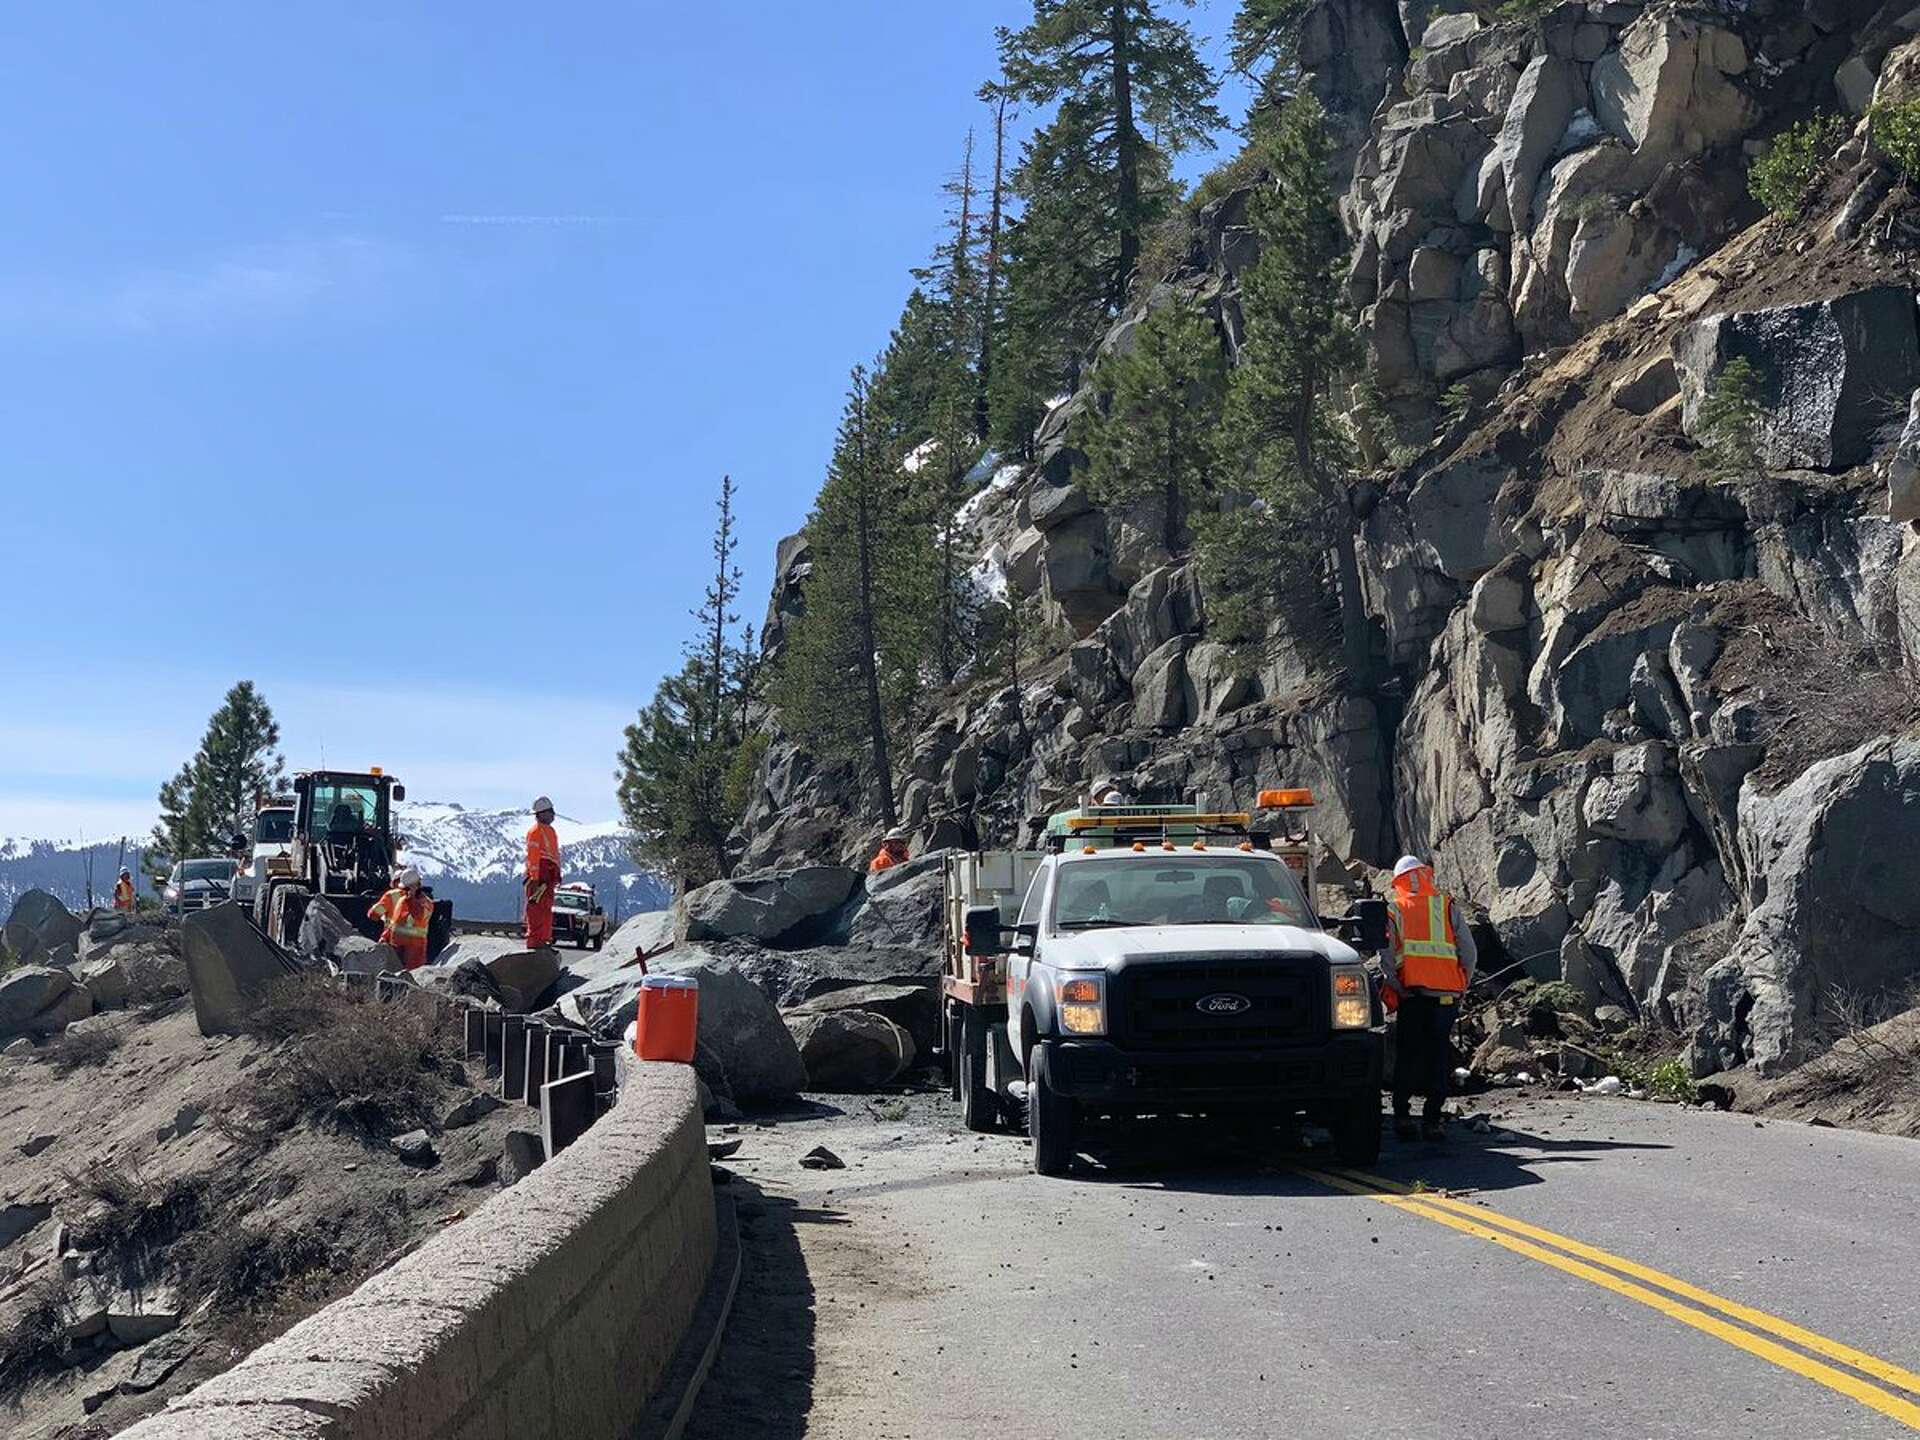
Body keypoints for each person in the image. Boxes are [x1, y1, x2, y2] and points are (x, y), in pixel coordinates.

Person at [1381, 854, 1477, 1142]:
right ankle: (1433, 1121)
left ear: (1398, 880)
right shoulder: (1445, 906)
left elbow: (1385, 958)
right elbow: (1469, 952)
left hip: (1413, 996)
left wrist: (1397, 987)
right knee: (1437, 1056)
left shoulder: (1394, 909)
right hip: (1445, 998)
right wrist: (1461, 984)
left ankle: (1401, 1116)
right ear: (1426, 875)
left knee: (1408, 1055)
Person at [369, 867, 434, 970]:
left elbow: (419, 916)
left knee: (411, 978)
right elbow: (395, 922)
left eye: (407, 889)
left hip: (414, 951)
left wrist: (413, 898)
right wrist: (385, 937)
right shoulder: (402, 901)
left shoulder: (426, 904)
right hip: (396, 948)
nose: (404, 891)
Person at [524, 796, 562, 948]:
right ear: (541, 813)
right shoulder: (535, 831)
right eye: (550, 811)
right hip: (538, 876)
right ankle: (534, 940)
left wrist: (557, 872)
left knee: (546, 909)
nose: (553, 814)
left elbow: (554, 854)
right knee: (536, 909)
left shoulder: (551, 831)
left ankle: (544, 939)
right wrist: (534, 878)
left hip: (548, 876)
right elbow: (533, 856)